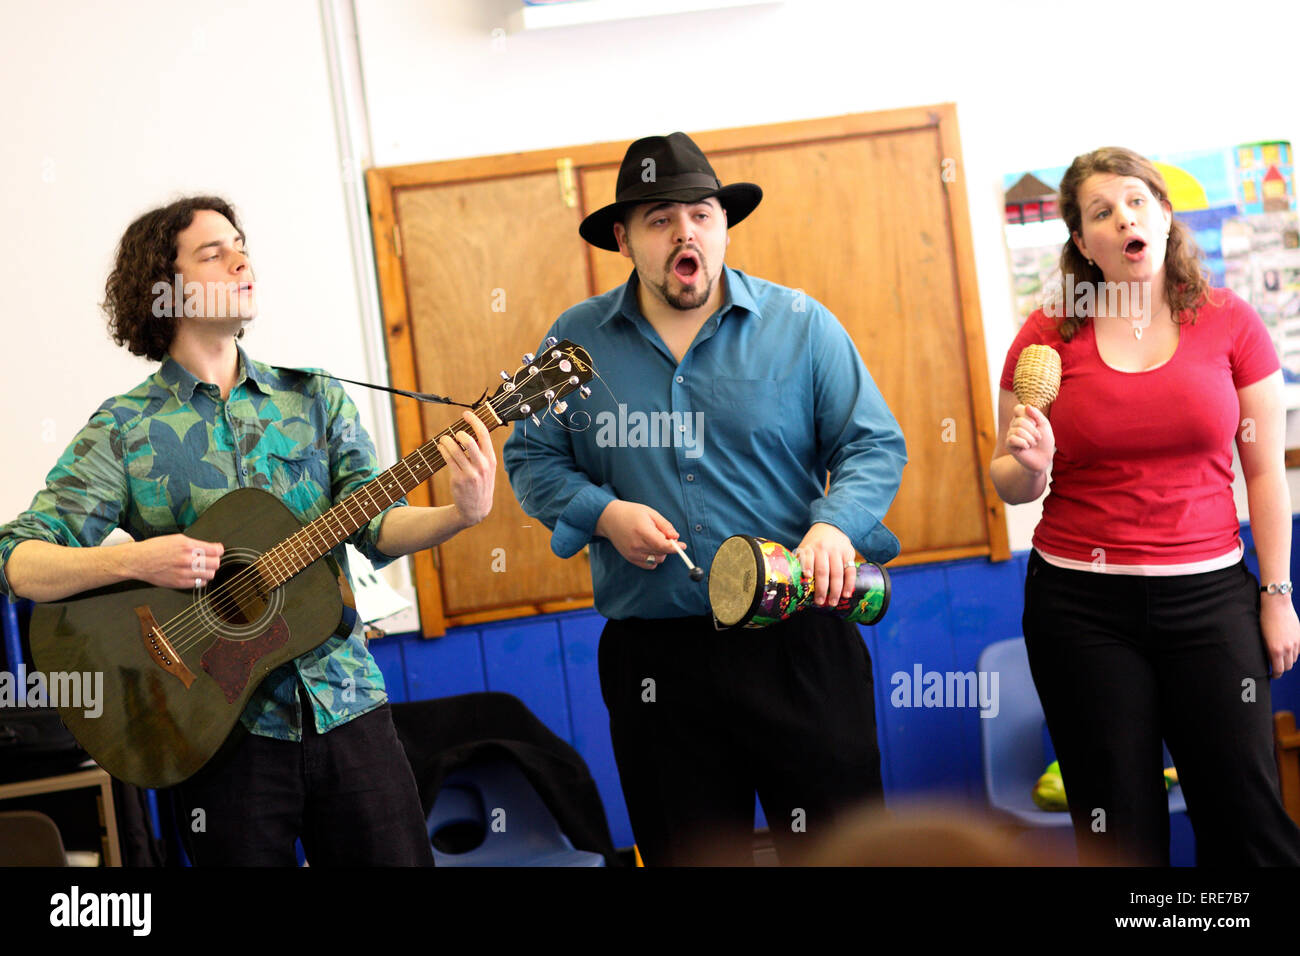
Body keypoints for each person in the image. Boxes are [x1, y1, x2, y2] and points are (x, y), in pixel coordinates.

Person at [0, 196, 497, 865]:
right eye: (213, 252)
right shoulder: (123, 429)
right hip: (214, 736)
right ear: (164, 288)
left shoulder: (315, 397)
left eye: (242, 245)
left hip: (347, 706)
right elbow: (19, 558)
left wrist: (459, 515)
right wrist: (138, 561)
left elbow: (374, 523)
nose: (242, 260)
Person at [501, 132, 907, 865]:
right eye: (660, 219)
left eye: (701, 214)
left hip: (799, 640)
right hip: (658, 663)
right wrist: (604, 512)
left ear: (723, 225)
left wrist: (835, 527)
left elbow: (872, 446)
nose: (685, 232)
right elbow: (530, 456)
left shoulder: (801, 325)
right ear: (624, 239)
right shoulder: (575, 342)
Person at [990, 146, 1300, 865]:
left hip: (1211, 598)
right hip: (1081, 610)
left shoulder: (1231, 323)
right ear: (1082, 243)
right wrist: (1028, 468)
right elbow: (1009, 479)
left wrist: (1277, 592)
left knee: (1248, 819)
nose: (1123, 217)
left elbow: (1265, 475)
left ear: (1164, 215)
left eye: (1136, 200)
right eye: (1101, 211)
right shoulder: (1044, 339)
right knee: (1118, 829)